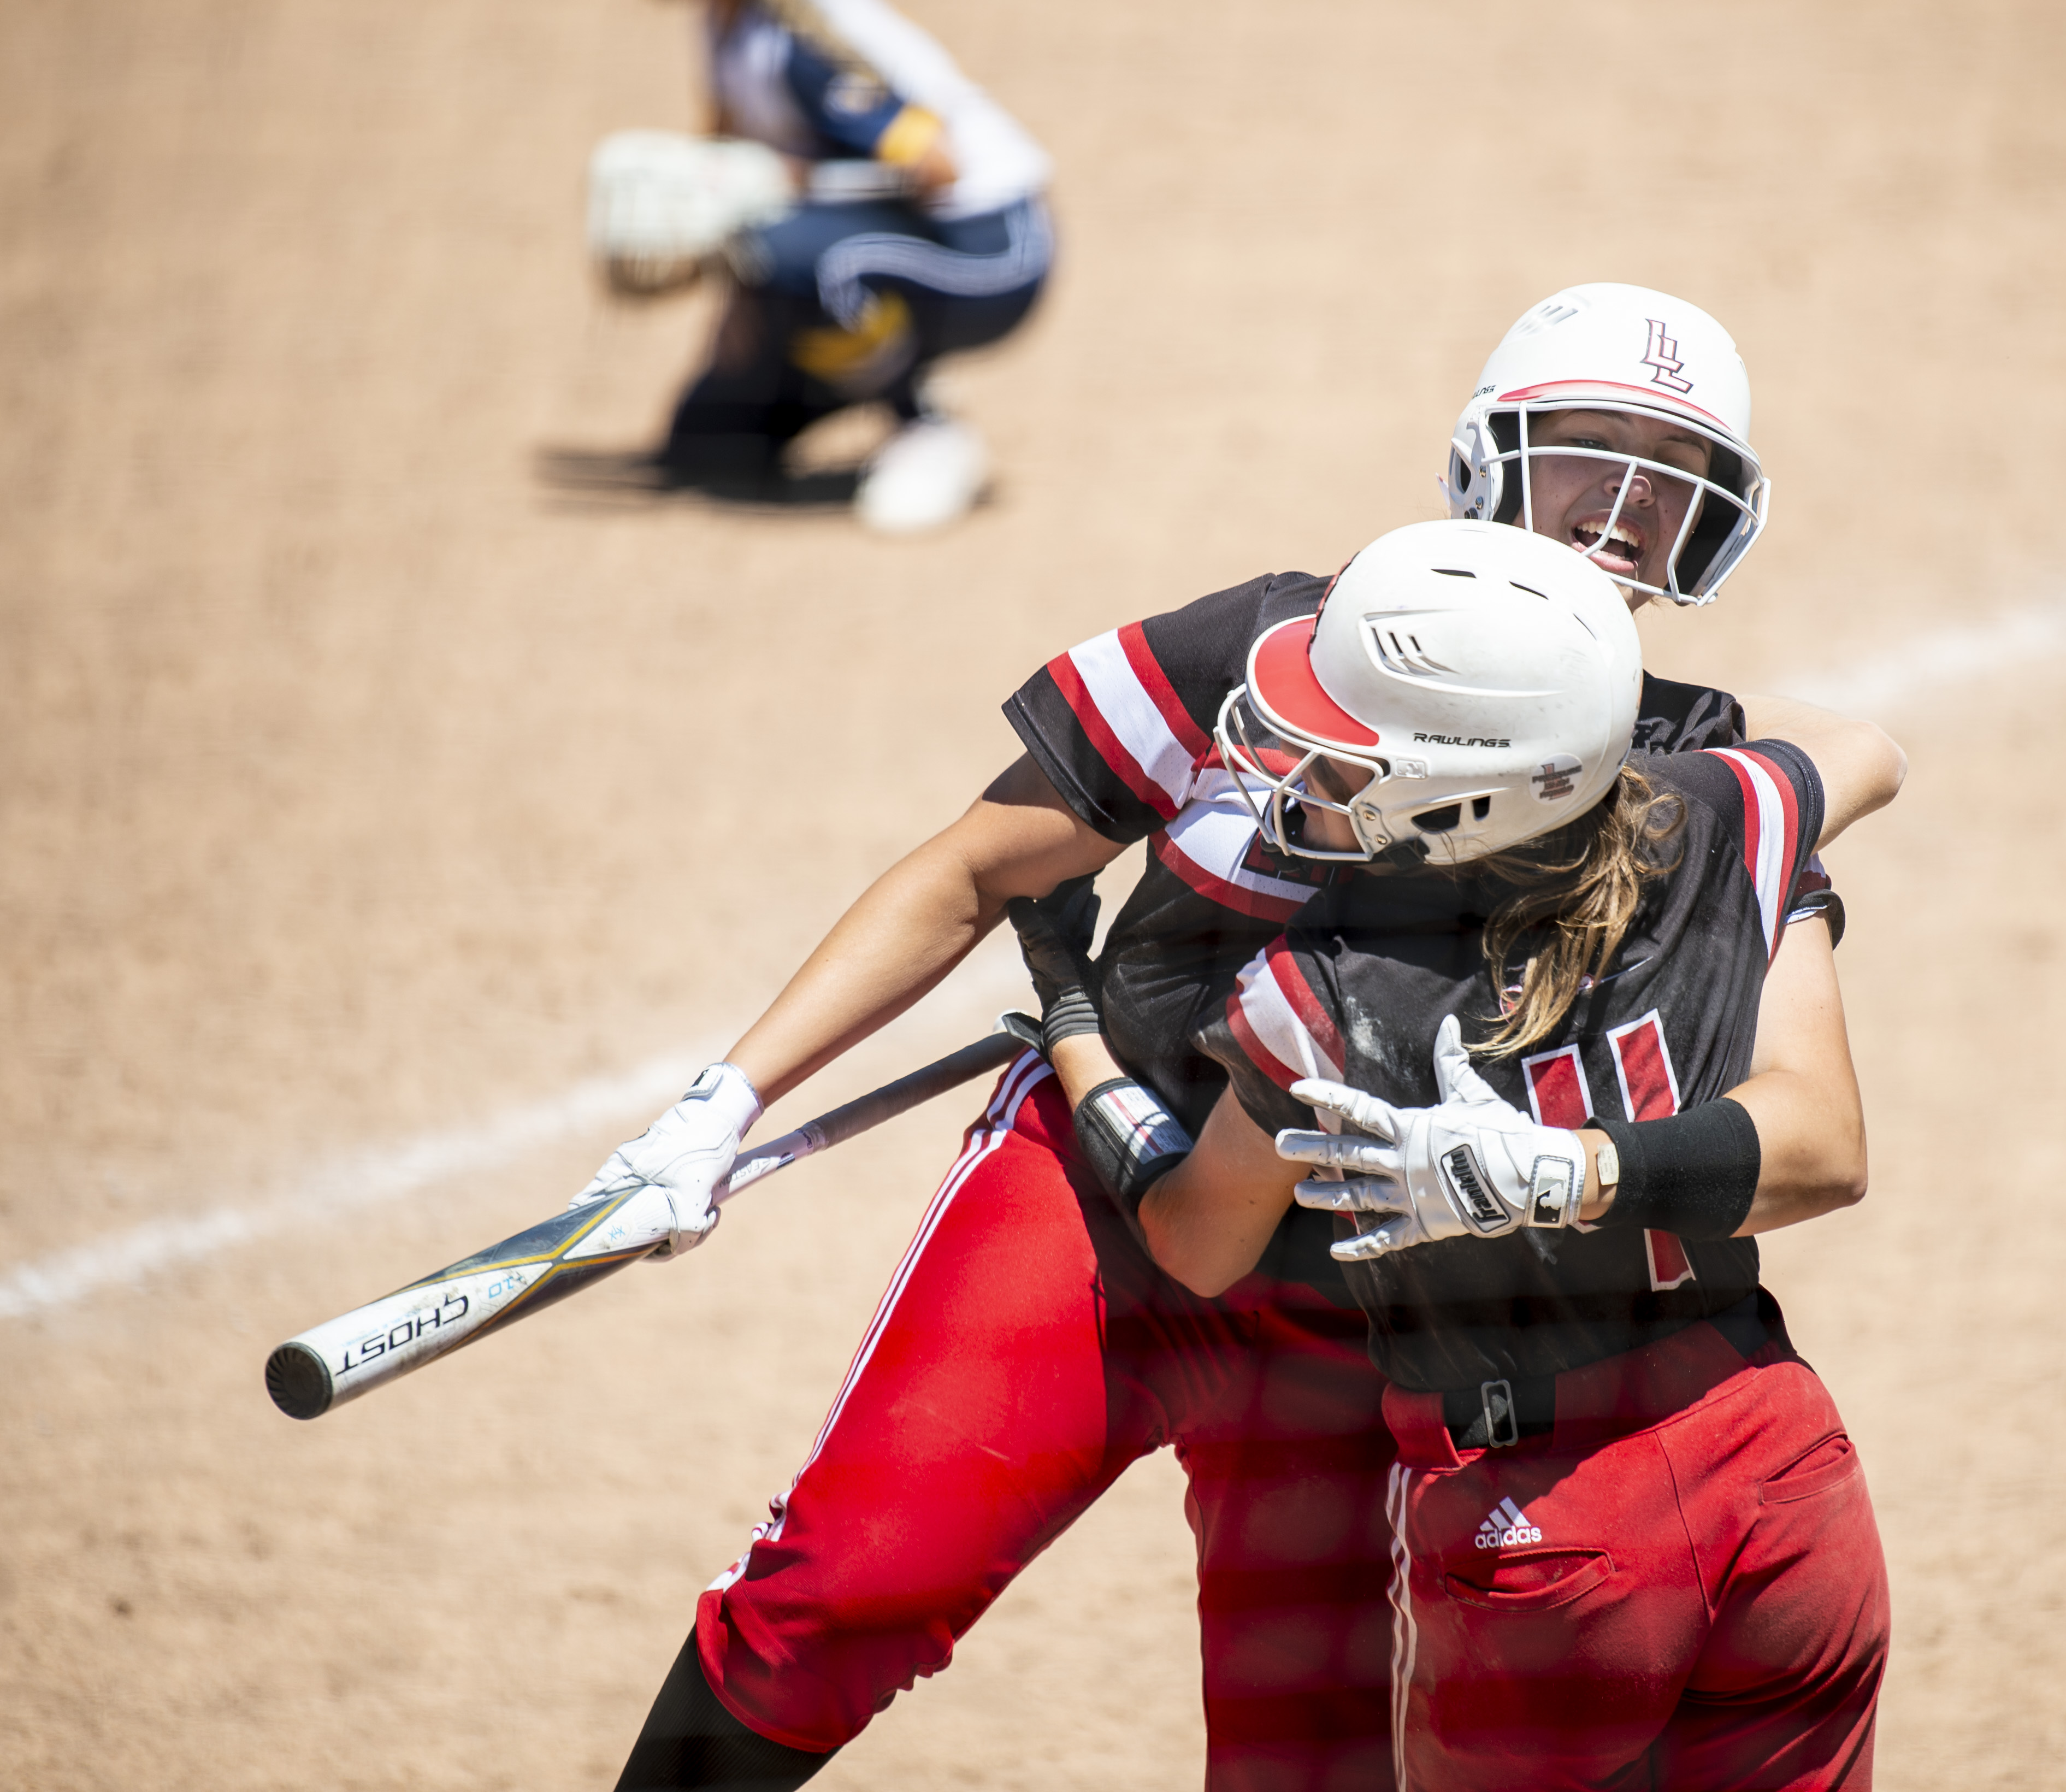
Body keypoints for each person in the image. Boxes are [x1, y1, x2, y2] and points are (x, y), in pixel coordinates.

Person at [586, 285, 1904, 1790]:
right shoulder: (1279, 645)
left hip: (1369, 1327)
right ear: (1491, 462)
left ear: (1713, 525)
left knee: (1308, 1768)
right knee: (844, 1593)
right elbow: (970, 873)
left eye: (1664, 481)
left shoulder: (1687, 775)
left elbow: (1820, 1044)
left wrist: (1078, 1018)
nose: (1616, 513)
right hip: (1099, 1218)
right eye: (1583, 455)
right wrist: (721, 1101)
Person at [1028, 521, 1886, 1787]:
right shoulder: (1724, 817)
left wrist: (1075, 1024)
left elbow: (1196, 1240)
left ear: (1464, 789)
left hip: (1544, 1535)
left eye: (1345, 754)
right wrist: (1579, 695)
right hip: (1781, 1474)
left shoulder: (1318, 994)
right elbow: (1869, 757)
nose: (1300, 775)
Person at [656, 0, 1054, 532]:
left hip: (991, 249)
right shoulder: (722, 24)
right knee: (709, 442)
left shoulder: (800, 33)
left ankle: (925, 429)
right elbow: (737, 160)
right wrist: (739, 296)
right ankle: (886, 364)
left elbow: (937, 164)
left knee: (795, 252)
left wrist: (785, 182)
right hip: (880, 240)